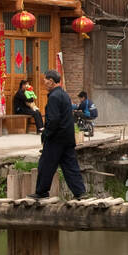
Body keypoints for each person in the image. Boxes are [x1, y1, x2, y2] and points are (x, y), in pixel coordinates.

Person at [33, 69, 86, 199]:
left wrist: (46, 133)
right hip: (67, 137)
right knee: (70, 165)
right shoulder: (64, 95)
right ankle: (80, 192)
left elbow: (54, 119)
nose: (44, 82)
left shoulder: (54, 97)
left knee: (46, 164)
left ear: (51, 81)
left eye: (46, 80)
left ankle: (42, 192)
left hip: (56, 138)